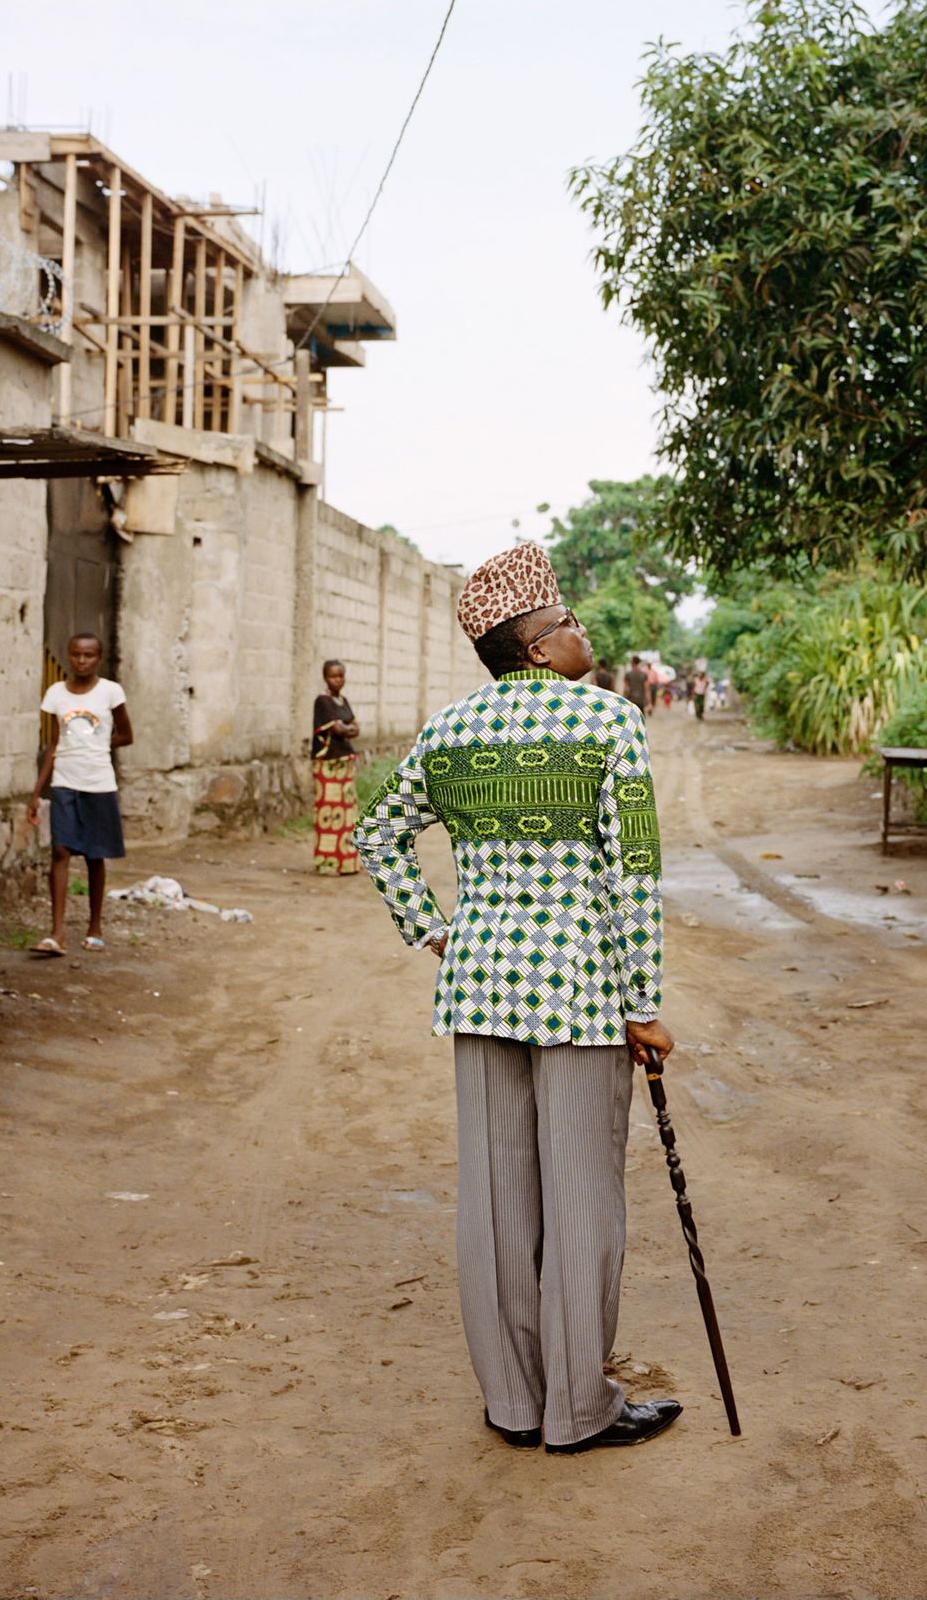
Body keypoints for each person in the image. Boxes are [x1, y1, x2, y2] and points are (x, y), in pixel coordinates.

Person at [356, 540, 681, 1455]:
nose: (584, 630)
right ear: (536, 646)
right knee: (581, 1201)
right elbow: (634, 877)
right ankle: (579, 1408)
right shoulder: (612, 723)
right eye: (568, 620)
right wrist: (644, 1002)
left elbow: (379, 833)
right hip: (581, 993)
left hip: (479, 989)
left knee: (497, 1201)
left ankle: (514, 1402)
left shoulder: (450, 727)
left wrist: (435, 928)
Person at [27, 633, 132, 956]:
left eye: (88, 655)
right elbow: (54, 745)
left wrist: (98, 744)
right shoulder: (56, 694)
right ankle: (57, 933)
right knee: (60, 851)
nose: (81, 661)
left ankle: (95, 928)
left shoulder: (110, 692)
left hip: (98, 783)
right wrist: (35, 792)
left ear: (98, 659)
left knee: (94, 854)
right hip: (64, 782)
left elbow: (126, 735)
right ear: (69, 656)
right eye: (76, 655)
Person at [311, 659, 361, 875]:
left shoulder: (344, 701)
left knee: (348, 814)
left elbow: (354, 728)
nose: (337, 680)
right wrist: (346, 728)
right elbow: (340, 729)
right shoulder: (322, 702)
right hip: (328, 765)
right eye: (333, 676)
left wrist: (347, 728)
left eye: (341, 676)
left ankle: (347, 862)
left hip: (345, 763)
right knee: (329, 814)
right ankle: (328, 863)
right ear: (325, 677)